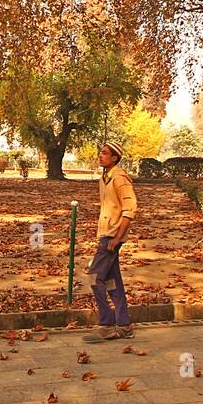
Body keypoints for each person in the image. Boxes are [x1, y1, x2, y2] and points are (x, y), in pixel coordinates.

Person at [83, 141, 137, 342]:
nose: (100, 155)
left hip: (112, 236)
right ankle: (124, 325)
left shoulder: (120, 178)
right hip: (106, 233)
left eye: (105, 153)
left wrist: (117, 238)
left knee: (94, 277)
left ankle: (106, 323)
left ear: (115, 158)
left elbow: (129, 209)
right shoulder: (105, 177)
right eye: (101, 152)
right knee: (112, 282)